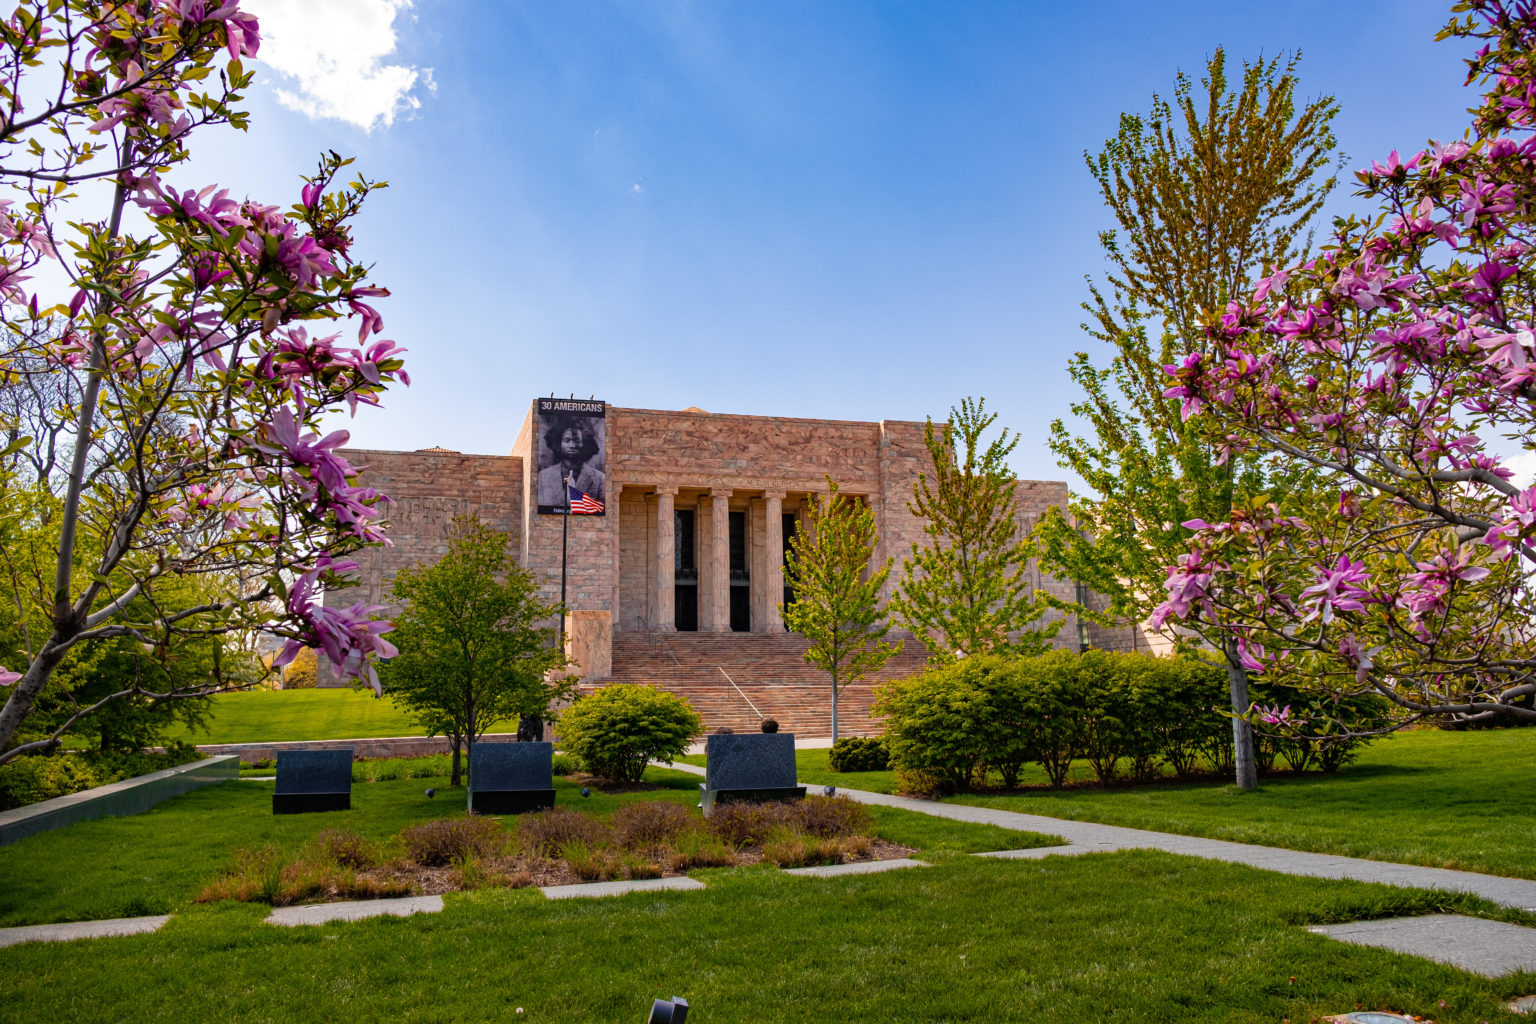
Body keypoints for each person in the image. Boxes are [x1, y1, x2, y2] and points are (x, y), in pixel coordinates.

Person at [537, 416, 604, 509]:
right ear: (558, 443)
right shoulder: (543, 476)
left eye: (577, 440)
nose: (572, 445)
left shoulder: (599, 478)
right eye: (567, 440)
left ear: (585, 443)